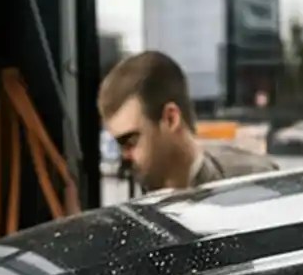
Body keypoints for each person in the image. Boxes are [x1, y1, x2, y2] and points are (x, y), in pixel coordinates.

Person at [97, 50, 277, 191]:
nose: (124, 158)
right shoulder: (134, 212)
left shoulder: (255, 182)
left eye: (130, 142)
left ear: (170, 119)